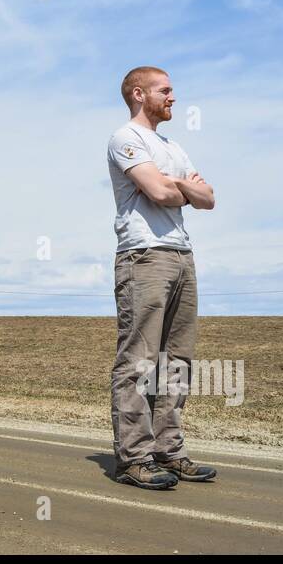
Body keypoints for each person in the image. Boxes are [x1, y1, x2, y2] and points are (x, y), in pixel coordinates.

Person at [107, 66, 218, 489]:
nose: (173, 97)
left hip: (182, 255)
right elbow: (159, 193)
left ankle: (168, 451)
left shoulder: (172, 146)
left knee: (176, 361)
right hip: (144, 255)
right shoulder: (125, 138)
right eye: (165, 90)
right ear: (139, 94)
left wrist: (177, 185)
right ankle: (134, 458)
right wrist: (181, 186)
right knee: (140, 359)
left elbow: (208, 198)